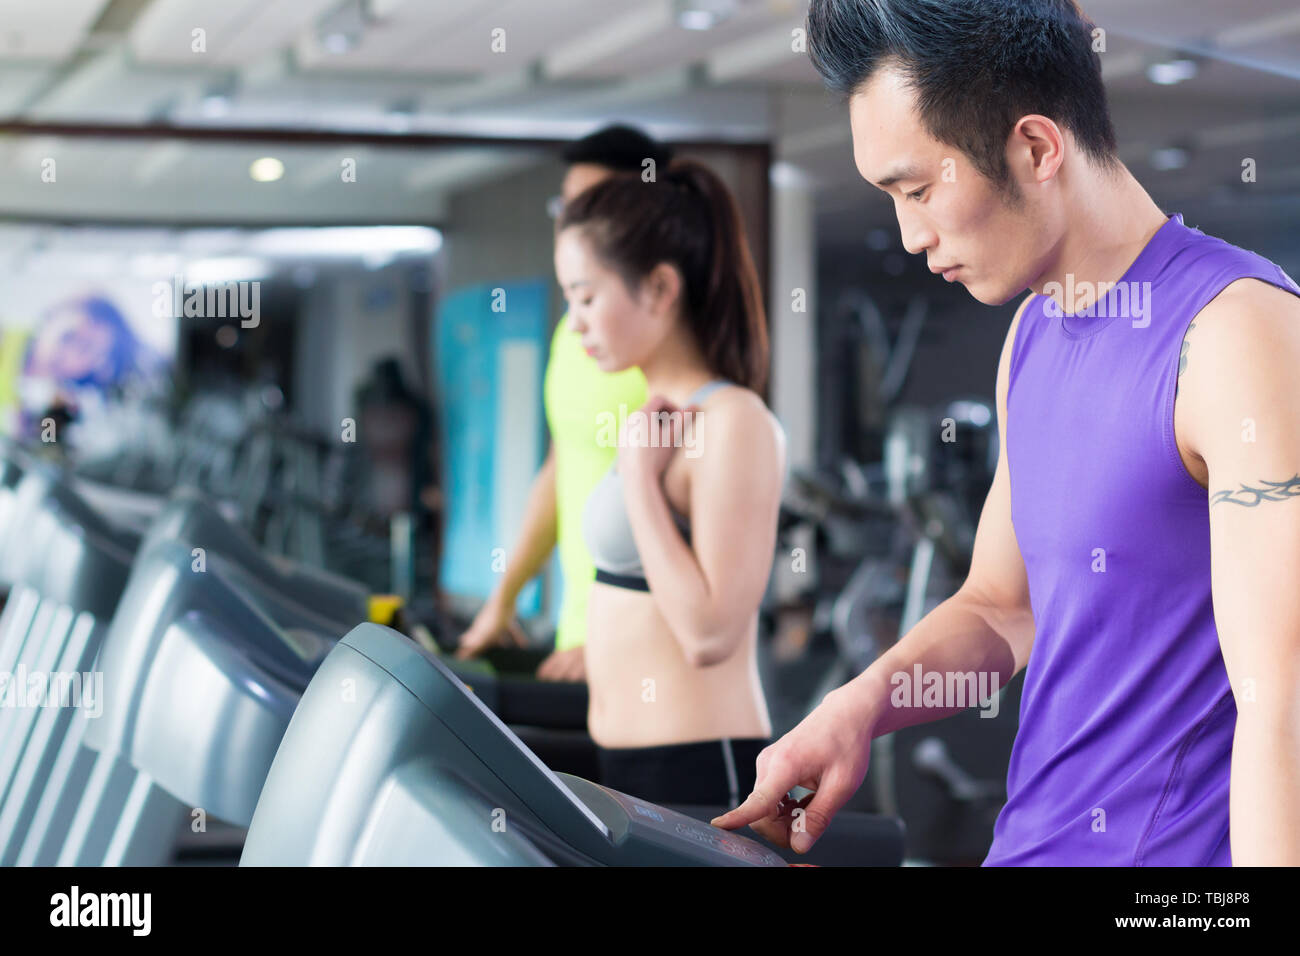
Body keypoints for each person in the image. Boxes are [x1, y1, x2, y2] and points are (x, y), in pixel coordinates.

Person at [714, 0, 1300, 865]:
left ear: (1035, 148)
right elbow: (1002, 607)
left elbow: (1280, 707)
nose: (911, 235)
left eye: (918, 189)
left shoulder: (1234, 332)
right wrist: (857, 707)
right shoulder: (1031, 334)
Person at [551, 158, 784, 806]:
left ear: (658, 288)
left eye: (587, 297)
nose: (576, 324)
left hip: (700, 771)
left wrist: (641, 486)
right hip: (627, 764)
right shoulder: (651, 423)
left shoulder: (734, 420)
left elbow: (710, 635)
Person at [455, 127, 666, 680]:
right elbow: (560, 468)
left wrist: (611, 646)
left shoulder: (661, 347)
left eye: (587, 204)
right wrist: (504, 598)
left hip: (646, 662)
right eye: (565, 203)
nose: (569, 219)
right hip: (575, 638)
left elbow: (695, 529)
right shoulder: (575, 335)